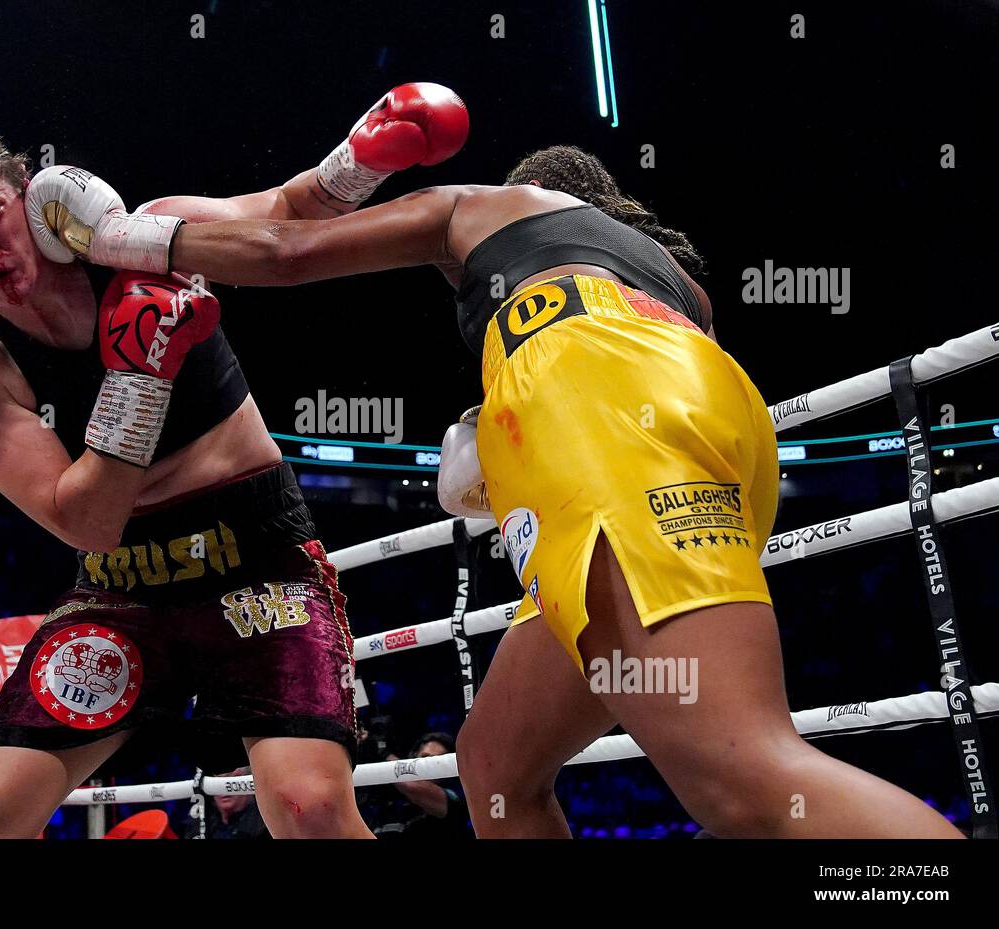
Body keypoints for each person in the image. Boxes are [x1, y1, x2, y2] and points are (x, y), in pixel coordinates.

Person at [81, 145, 963, 838]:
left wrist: (109, 237)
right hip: (708, 434)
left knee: (746, 782)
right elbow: (664, 376)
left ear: (535, 187)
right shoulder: (668, 274)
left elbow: (285, 245)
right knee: (497, 770)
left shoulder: (495, 204)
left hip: (608, 419)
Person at [0, 83, 468, 839]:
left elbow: (285, 215)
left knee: (311, 808)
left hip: (258, 565)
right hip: (124, 587)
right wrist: (139, 376)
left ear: (28, 195)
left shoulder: (144, 236)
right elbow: (88, 522)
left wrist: (360, 159)